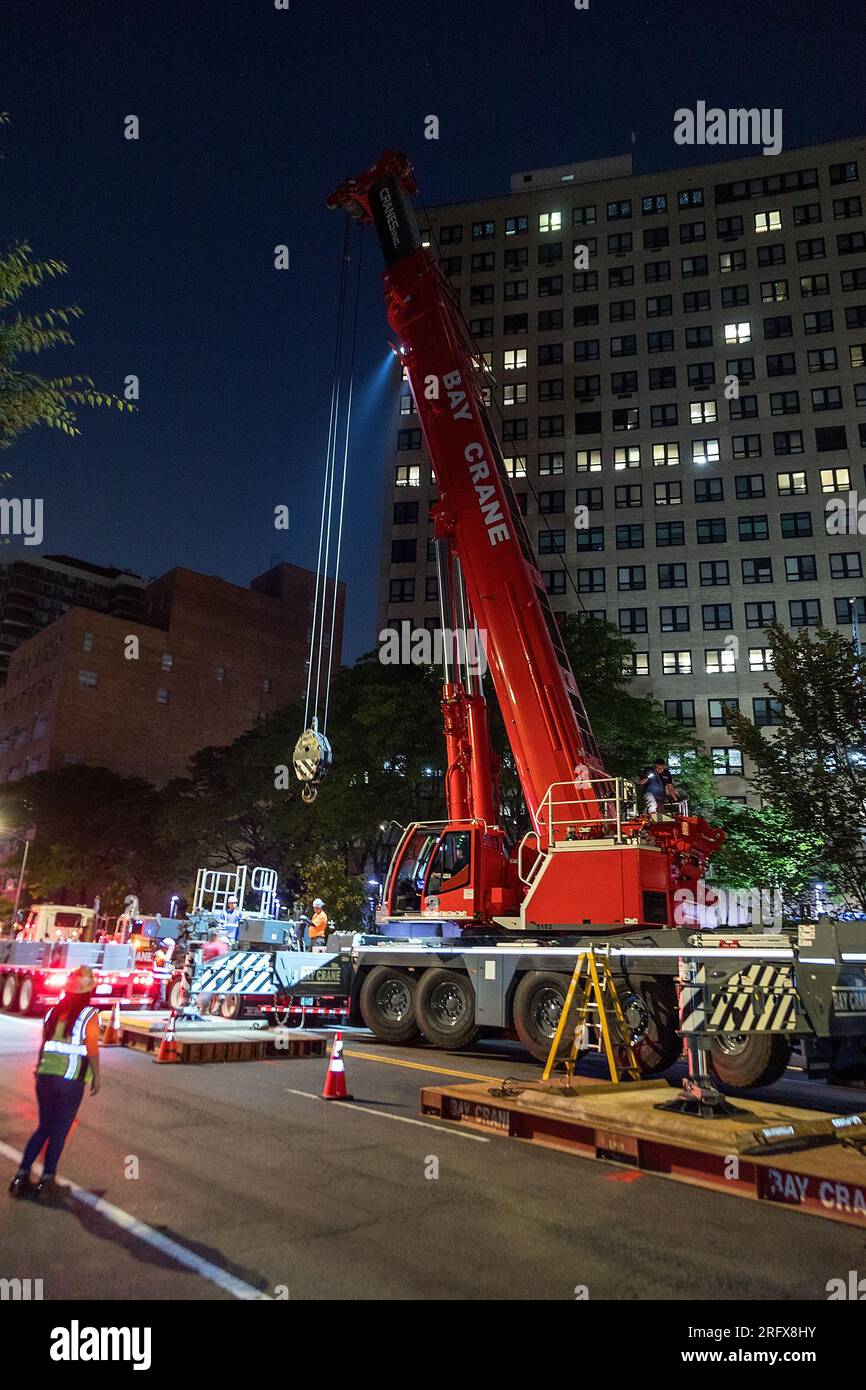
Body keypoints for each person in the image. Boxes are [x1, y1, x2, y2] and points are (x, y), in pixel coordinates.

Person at [9, 966, 101, 1201]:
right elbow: (92, 1050)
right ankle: (47, 1180)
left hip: (45, 1078)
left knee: (44, 1128)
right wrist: (96, 1077)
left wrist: (39, 1069)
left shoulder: (51, 1012)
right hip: (69, 1081)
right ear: (88, 991)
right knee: (59, 1131)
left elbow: (44, 1045)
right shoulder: (89, 1015)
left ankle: (20, 1176)